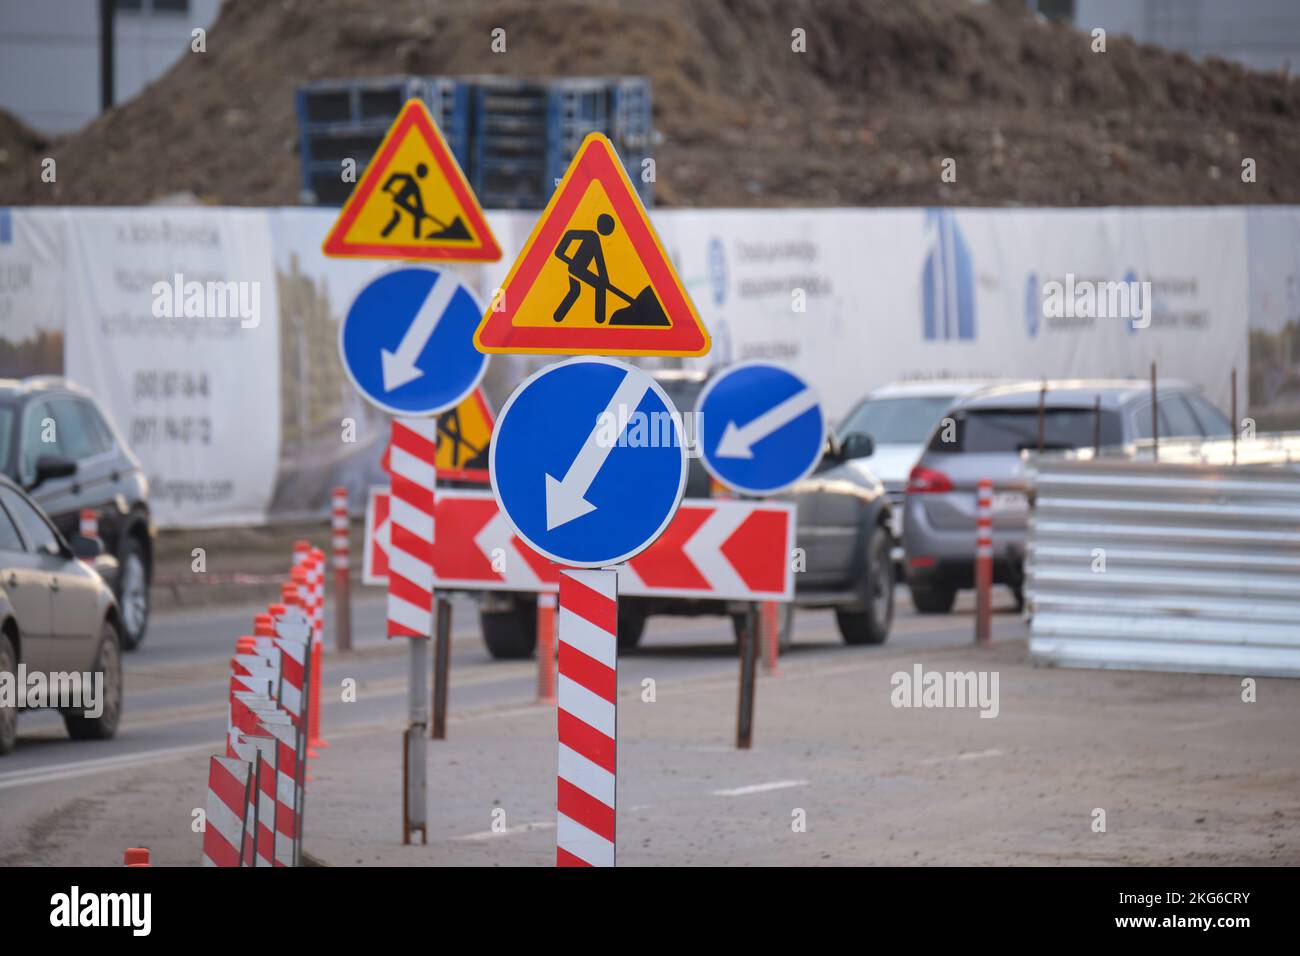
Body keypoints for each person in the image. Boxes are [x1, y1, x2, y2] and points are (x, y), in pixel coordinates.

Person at [553, 214, 618, 324]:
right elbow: (569, 235)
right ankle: (600, 321)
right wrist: (561, 254)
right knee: (598, 287)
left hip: (576, 269)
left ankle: (557, 317)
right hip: (576, 269)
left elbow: (599, 261)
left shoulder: (594, 237)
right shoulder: (592, 236)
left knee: (575, 291)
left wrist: (605, 280)